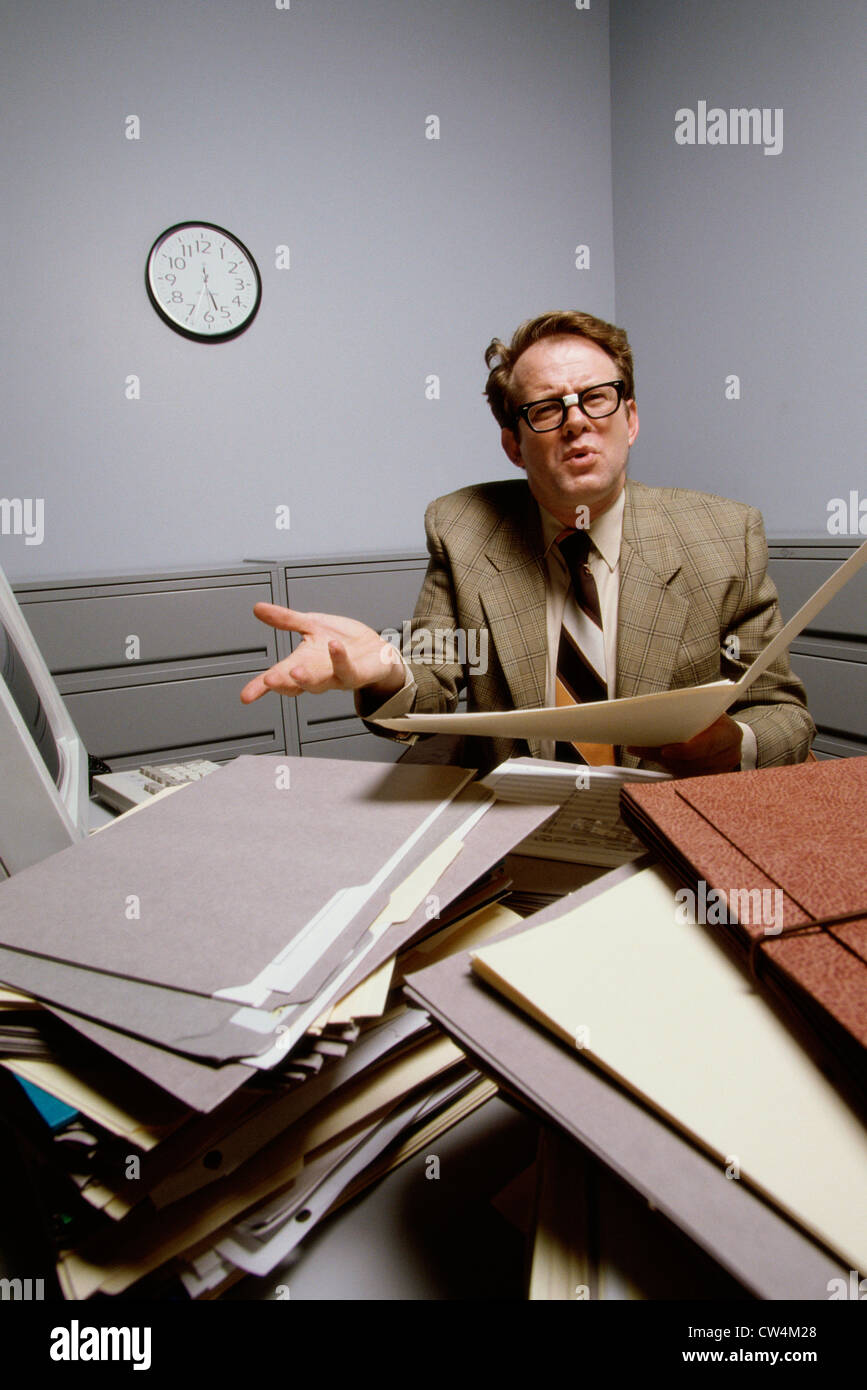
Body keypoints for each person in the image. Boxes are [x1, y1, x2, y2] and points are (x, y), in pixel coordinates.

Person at [240, 311, 814, 777]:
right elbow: (433, 684)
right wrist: (386, 669)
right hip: (523, 832)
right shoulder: (464, 529)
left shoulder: (725, 535)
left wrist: (734, 743)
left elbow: (783, 713)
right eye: (546, 409)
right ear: (514, 446)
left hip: (673, 828)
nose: (576, 422)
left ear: (631, 419)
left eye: (597, 398)